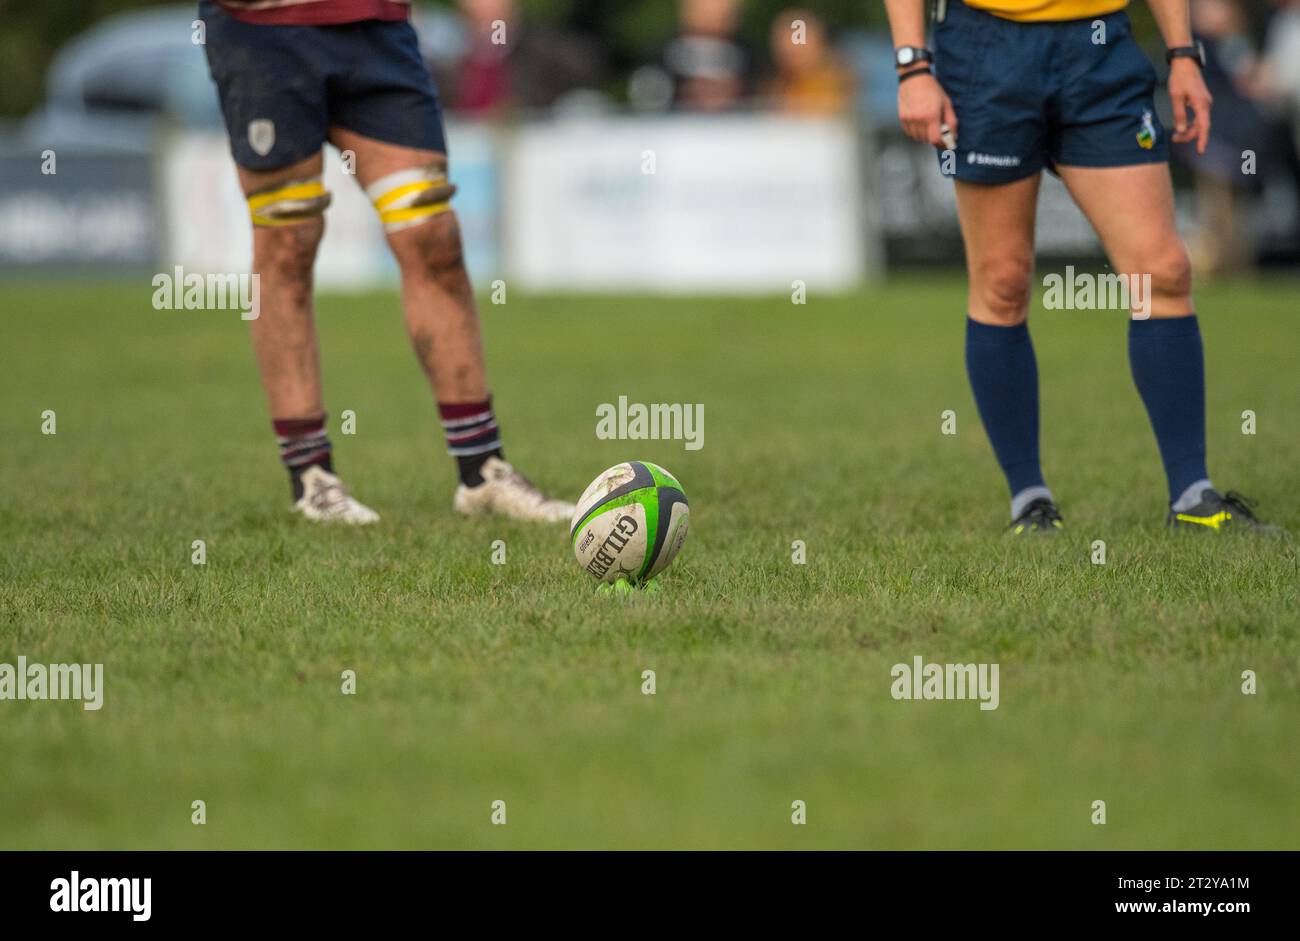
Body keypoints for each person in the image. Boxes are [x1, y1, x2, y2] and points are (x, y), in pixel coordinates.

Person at [884, 0, 1276, 532]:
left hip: (1101, 51)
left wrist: (1183, 53)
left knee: (1162, 272)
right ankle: (1030, 500)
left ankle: (1192, 498)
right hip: (987, 49)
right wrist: (913, 65)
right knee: (1002, 282)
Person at [199, 0, 573, 524]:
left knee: (431, 234)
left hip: (376, 27)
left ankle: (481, 472)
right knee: (288, 241)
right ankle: (311, 477)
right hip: (265, 30)